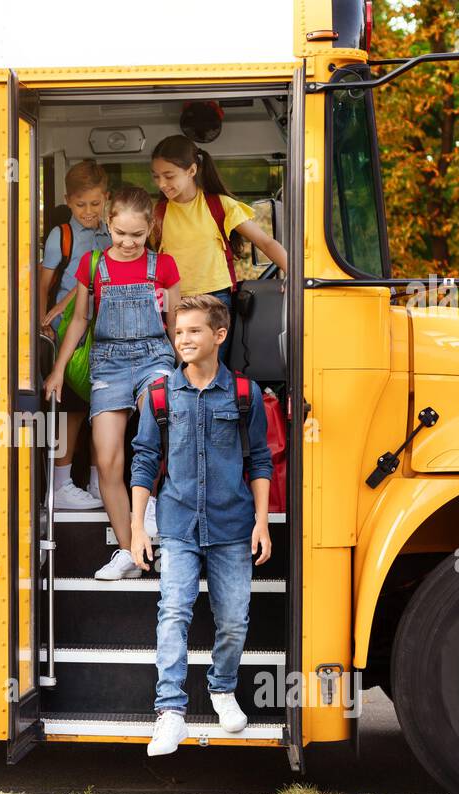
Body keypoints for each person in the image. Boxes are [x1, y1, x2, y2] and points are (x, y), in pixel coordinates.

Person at [129, 294, 273, 755]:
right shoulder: (158, 394)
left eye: (194, 331)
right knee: (174, 613)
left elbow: (260, 461)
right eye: (178, 331)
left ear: (219, 335)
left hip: (233, 526)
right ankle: (170, 710)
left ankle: (222, 688)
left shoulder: (245, 395)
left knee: (233, 620)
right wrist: (136, 528)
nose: (184, 339)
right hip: (176, 525)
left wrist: (262, 523)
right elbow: (145, 461)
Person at [43, 185, 180, 580]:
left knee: (157, 419)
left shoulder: (164, 267)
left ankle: (148, 506)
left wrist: (191, 370)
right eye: (121, 234)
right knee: (106, 459)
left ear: (150, 228)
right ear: (109, 224)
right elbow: (82, 321)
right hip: (109, 364)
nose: (129, 243)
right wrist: (58, 370)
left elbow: (174, 325)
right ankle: (128, 552)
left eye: (137, 235)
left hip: (155, 358)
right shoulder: (91, 264)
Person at [150, 135, 287, 366]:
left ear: (191, 170)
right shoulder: (159, 213)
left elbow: (266, 243)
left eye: (169, 175)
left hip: (215, 300)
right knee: (179, 371)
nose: (162, 184)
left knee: (209, 370)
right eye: (156, 177)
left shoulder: (219, 205)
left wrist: (296, 276)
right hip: (174, 302)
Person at [39, 161, 112, 509]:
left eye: (95, 204)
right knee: (71, 409)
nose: (88, 211)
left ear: (107, 200)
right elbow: (44, 284)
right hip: (68, 330)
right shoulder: (61, 236)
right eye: (81, 204)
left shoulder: (112, 232)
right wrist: (44, 322)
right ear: (68, 201)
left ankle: (101, 481)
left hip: (105, 328)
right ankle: (62, 483)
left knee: (104, 406)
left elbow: (101, 271)